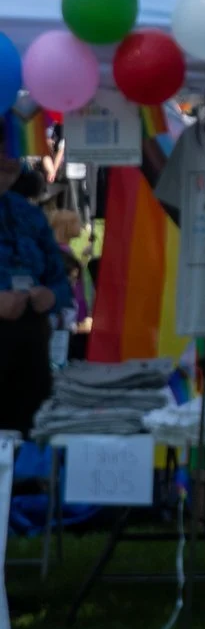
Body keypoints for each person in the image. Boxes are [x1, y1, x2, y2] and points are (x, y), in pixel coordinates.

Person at [0, 125, 73, 438]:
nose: (8, 161)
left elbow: (61, 282)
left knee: (31, 441)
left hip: (30, 350)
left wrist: (51, 296)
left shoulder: (29, 214)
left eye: (13, 153)